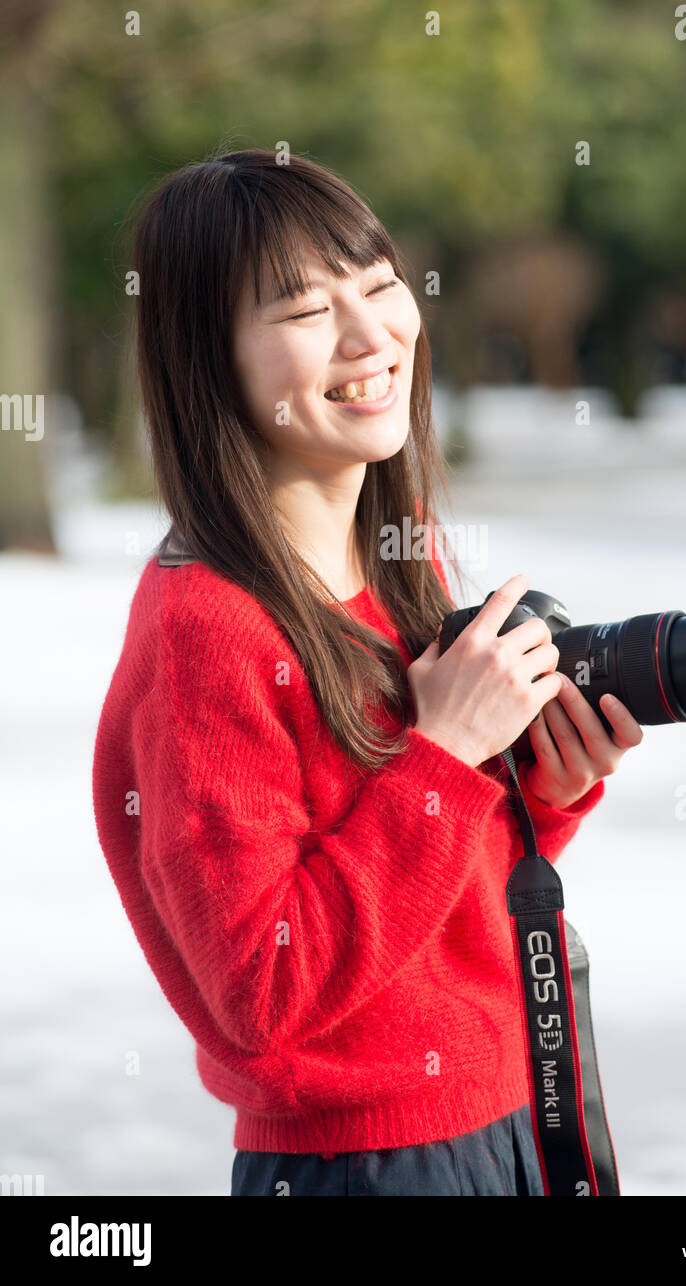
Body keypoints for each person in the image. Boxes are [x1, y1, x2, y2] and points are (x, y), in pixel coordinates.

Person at [92, 148, 644, 1196]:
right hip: (365, 1165)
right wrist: (444, 753)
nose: (372, 334)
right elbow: (262, 991)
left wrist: (534, 791)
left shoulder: (400, 556)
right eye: (303, 310)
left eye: (381, 284)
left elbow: (420, 885)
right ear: (207, 353)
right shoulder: (205, 624)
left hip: (515, 1112)